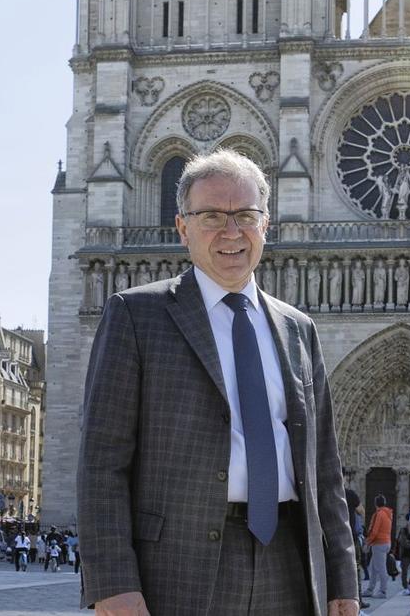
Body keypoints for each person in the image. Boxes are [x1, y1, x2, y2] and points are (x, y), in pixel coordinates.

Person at [76, 149, 359, 616]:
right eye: (211, 216)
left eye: (245, 215)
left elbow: (325, 471)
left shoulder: (298, 329)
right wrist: (111, 584)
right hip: (177, 569)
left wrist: (343, 585)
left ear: (266, 224)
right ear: (183, 227)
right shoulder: (135, 315)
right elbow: (101, 464)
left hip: (289, 565)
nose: (231, 232)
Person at [362, 494, 392, 600]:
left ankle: (383, 591)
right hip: (386, 542)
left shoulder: (379, 514)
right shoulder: (388, 513)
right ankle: (370, 589)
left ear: (375, 504)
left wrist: (367, 542)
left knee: (381, 568)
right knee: (373, 568)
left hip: (379, 543)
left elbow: (375, 530)